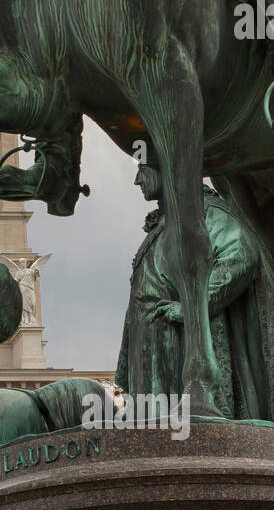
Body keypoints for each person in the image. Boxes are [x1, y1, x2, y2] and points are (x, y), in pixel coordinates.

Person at [116, 164, 274, 418]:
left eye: (143, 169)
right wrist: (123, 376)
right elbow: (137, 303)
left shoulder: (205, 213)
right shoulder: (165, 222)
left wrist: (191, 309)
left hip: (186, 361)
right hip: (152, 368)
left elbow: (242, 255)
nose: (137, 180)